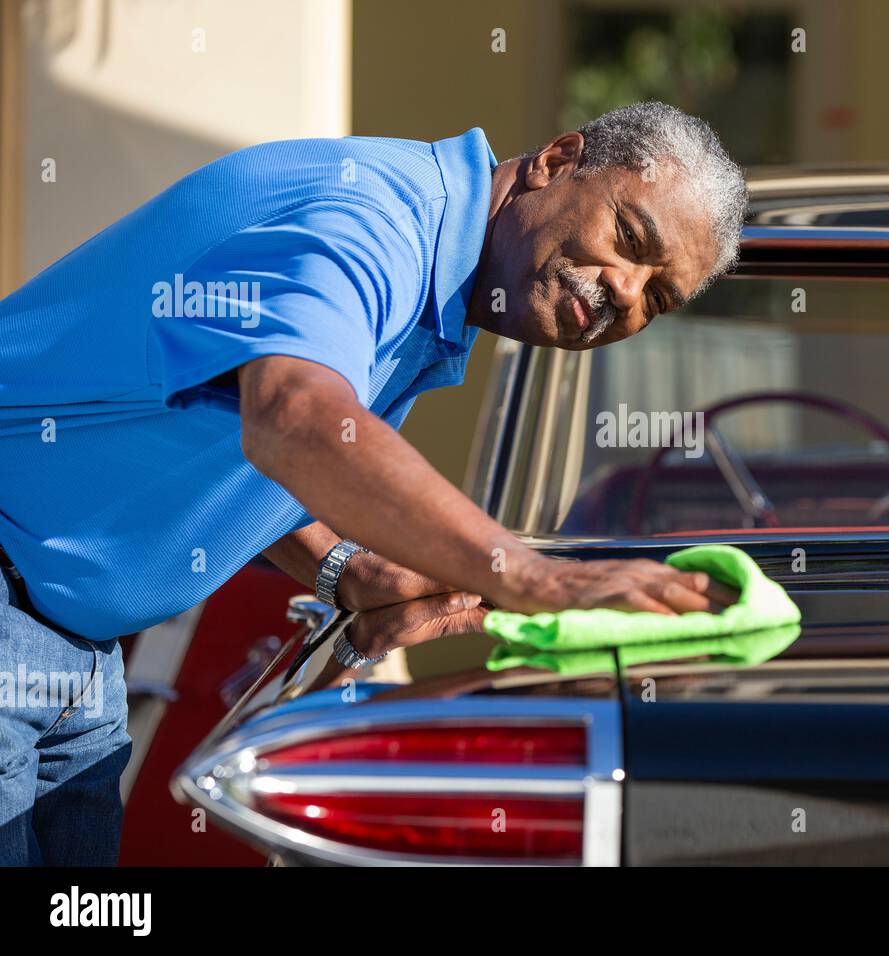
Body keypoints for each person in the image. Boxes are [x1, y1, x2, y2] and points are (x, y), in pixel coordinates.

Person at [0, 101, 747, 864]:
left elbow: (236, 423)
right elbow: (293, 416)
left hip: (72, 647)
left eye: (656, 298)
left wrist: (349, 569)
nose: (626, 291)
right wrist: (533, 578)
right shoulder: (375, 218)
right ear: (556, 160)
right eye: (630, 239)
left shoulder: (434, 270)